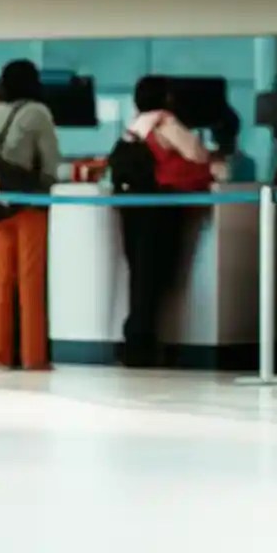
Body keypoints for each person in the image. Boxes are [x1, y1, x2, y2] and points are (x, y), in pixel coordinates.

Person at [117, 76, 216, 367]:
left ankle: (134, 341)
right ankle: (143, 344)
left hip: (131, 209)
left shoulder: (133, 126)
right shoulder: (164, 124)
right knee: (154, 277)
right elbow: (197, 154)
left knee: (139, 275)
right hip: (159, 209)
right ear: (168, 98)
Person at [0, 60, 60, 370]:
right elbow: (50, 162)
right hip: (29, 204)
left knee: (2, 281)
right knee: (30, 279)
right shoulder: (38, 113)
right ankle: (33, 356)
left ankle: (0, 353)